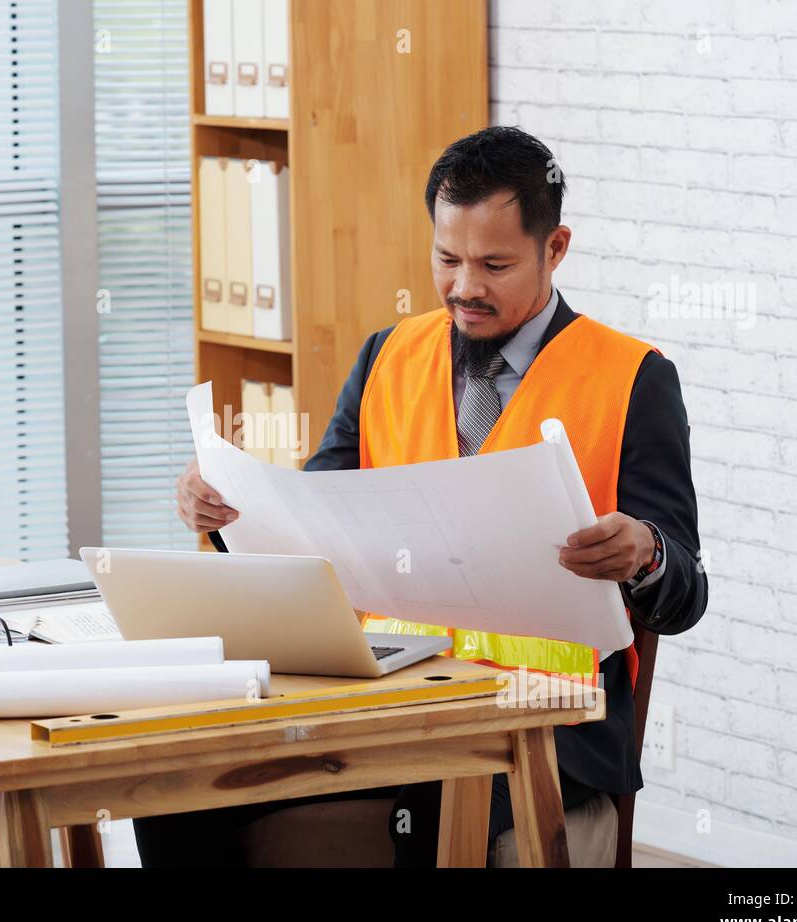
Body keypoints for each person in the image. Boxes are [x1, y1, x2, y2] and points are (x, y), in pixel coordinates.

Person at [139, 126, 708, 867]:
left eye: (494, 264)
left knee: (436, 808)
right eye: (447, 259)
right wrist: (225, 513)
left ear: (555, 247)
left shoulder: (633, 378)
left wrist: (646, 550)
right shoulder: (387, 356)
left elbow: (685, 591)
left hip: (543, 724)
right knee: (172, 794)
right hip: (385, 699)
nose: (465, 286)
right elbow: (313, 530)